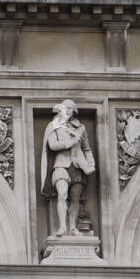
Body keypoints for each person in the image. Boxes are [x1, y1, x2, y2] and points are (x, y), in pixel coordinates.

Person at [40, 100, 95, 238]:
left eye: (71, 108)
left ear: (74, 111)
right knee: (62, 194)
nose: (68, 111)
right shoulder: (54, 126)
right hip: (61, 164)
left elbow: (86, 149)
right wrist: (70, 142)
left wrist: (91, 163)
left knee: (75, 198)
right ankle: (62, 227)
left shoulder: (80, 128)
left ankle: (72, 227)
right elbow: (52, 145)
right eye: (66, 108)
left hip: (78, 166)